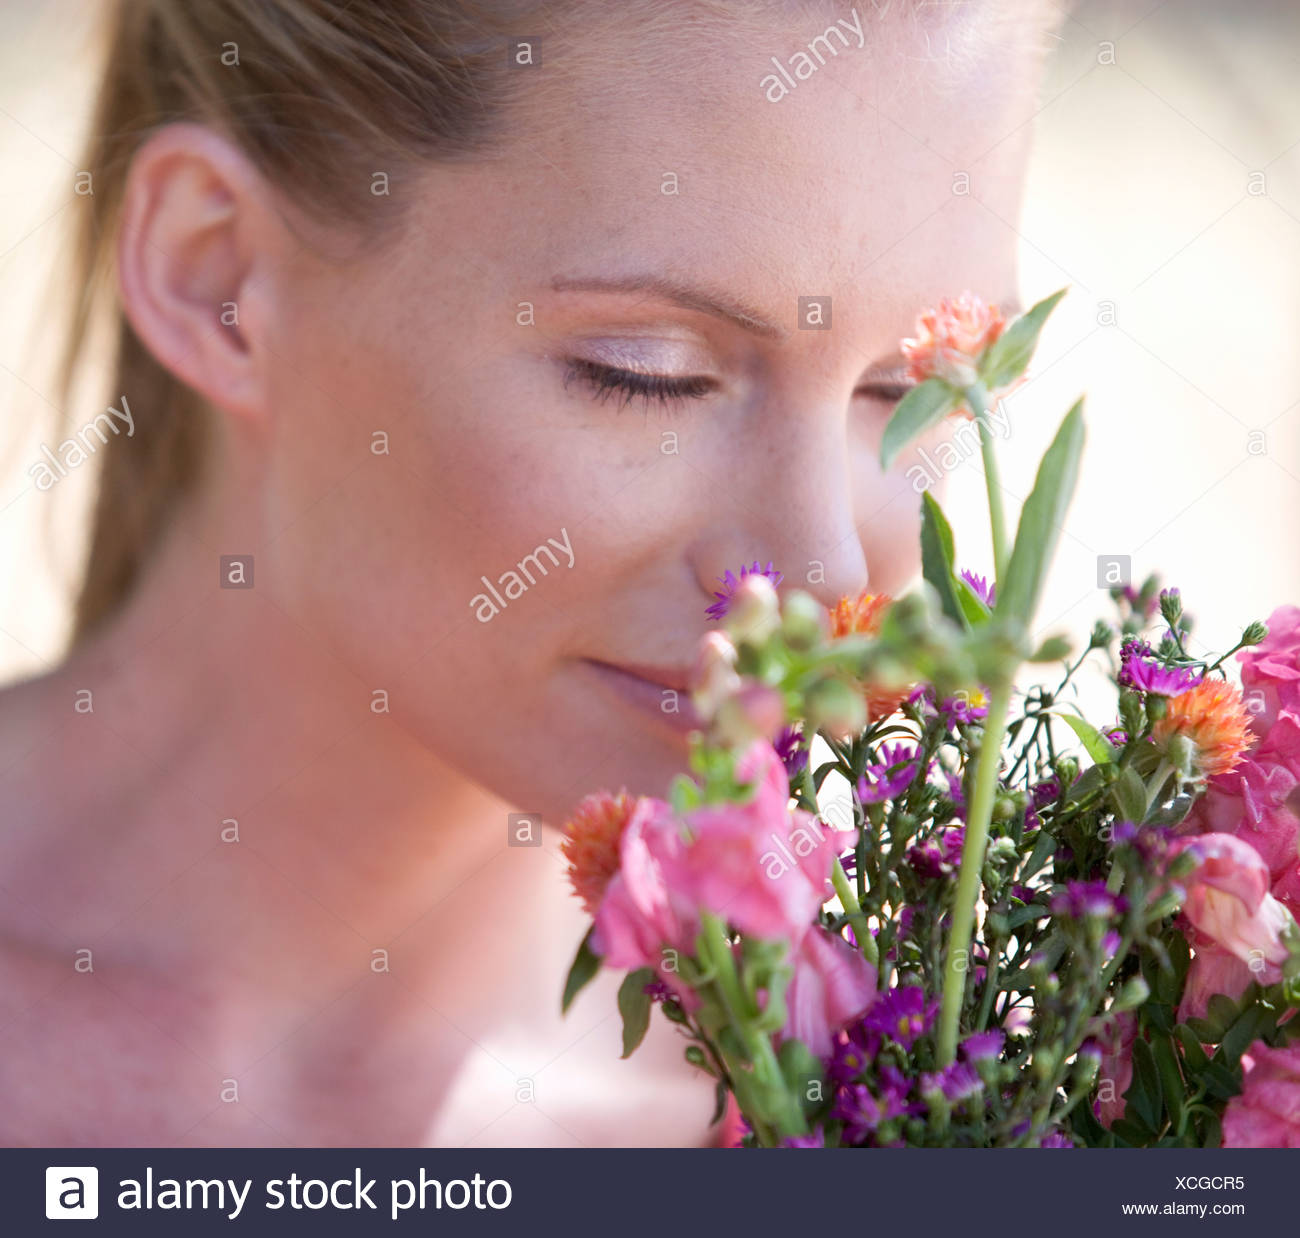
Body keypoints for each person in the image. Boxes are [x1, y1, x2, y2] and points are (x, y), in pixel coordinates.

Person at [0, 0, 1061, 1146]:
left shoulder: (889, 1093)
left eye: (906, 395)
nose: (823, 568)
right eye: (646, 373)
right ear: (217, 273)